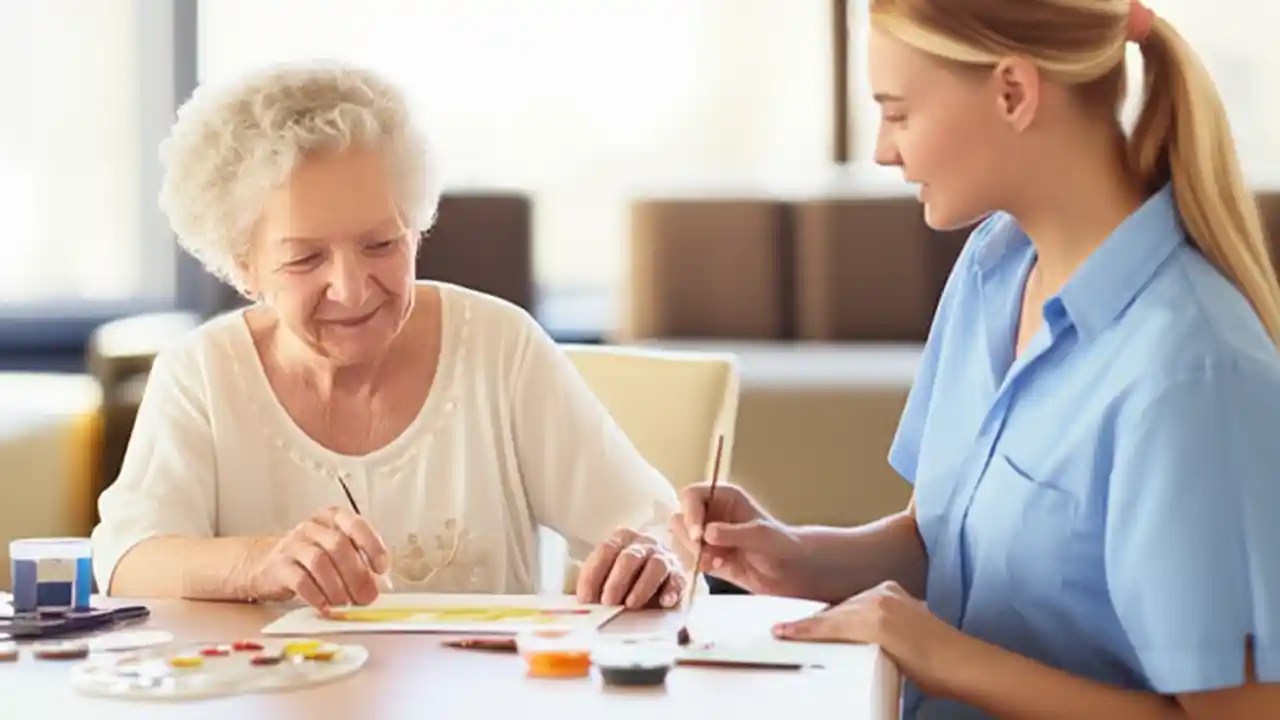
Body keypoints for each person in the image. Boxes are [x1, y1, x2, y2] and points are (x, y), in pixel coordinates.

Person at [672, 1, 1280, 718]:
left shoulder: (1192, 371)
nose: (882, 150)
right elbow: (943, 545)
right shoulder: (994, 268)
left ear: (1013, 93)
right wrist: (793, 554)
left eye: (898, 114)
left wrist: (939, 655)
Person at [91, 61, 688, 614]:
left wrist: (651, 561)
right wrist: (259, 563)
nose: (352, 290)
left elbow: (661, 530)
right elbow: (128, 558)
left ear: (416, 227)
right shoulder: (202, 373)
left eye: (381, 244)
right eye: (305, 259)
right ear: (243, 266)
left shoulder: (500, 347)